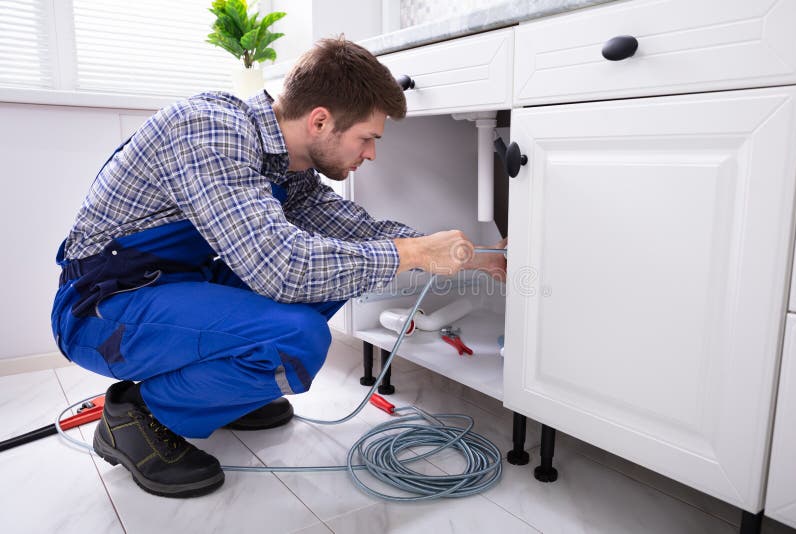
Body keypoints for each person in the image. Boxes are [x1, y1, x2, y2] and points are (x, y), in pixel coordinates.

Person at [51, 36, 506, 498]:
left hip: (177, 288)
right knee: (297, 337)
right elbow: (284, 269)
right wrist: (412, 255)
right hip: (104, 307)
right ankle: (138, 416)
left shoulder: (290, 166)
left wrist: (472, 256)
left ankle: (221, 395)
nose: (371, 154)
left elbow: (357, 231)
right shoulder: (210, 131)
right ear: (320, 120)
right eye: (367, 138)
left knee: (338, 265)